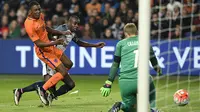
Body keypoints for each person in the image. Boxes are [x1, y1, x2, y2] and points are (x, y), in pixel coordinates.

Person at [22, 1, 105, 106]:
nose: (76, 26)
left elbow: (79, 43)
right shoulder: (61, 29)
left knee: (68, 81)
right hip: (49, 56)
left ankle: (47, 94)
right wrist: (55, 41)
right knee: (50, 84)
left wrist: (95, 45)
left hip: (58, 58)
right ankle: (27, 91)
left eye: (78, 24)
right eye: (74, 23)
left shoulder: (71, 33)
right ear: (69, 22)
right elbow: (47, 35)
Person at [100, 23, 162, 112]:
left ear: (125, 33)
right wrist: (157, 69)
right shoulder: (145, 42)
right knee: (150, 82)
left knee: (131, 108)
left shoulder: (120, 44)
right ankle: (153, 109)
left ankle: (120, 105)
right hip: (142, 81)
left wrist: (108, 82)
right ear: (136, 32)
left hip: (125, 82)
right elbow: (153, 60)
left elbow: (115, 64)